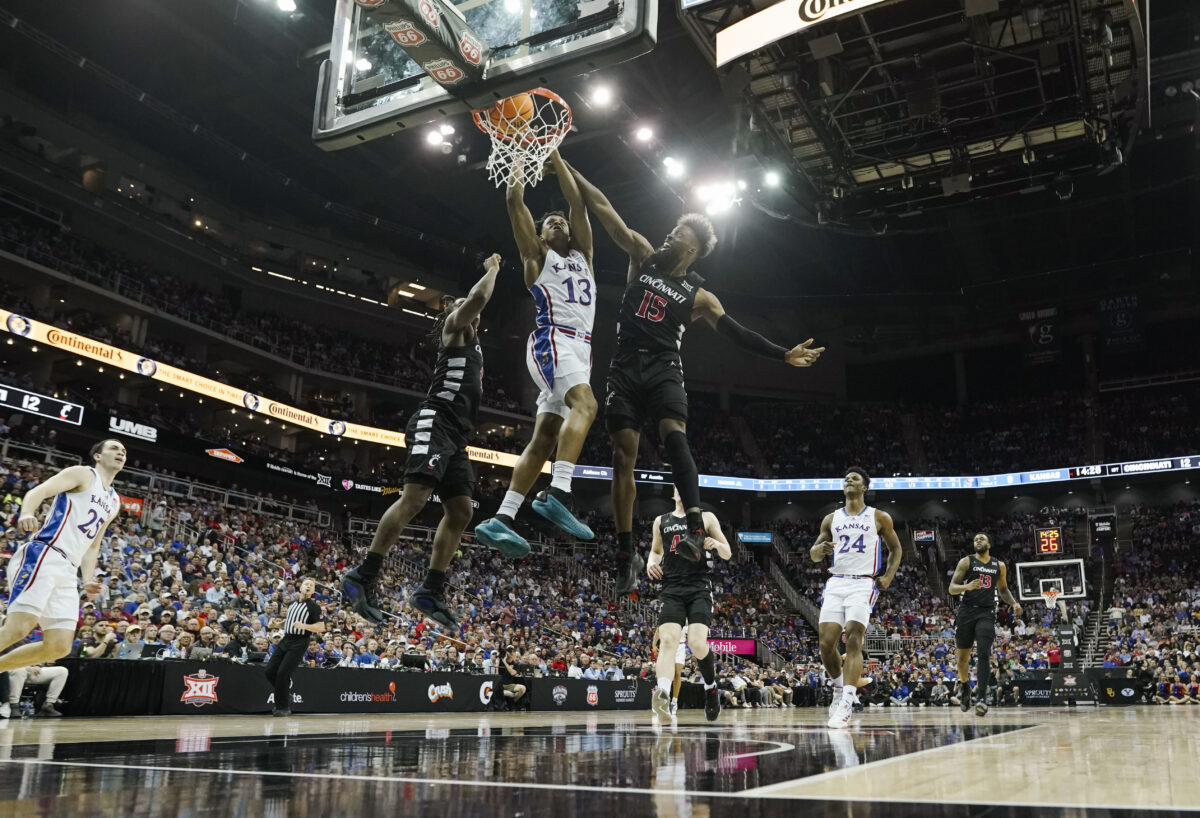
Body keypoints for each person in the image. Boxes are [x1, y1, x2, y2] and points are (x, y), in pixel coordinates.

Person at [565, 160, 824, 595]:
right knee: (622, 452)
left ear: (692, 249)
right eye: (670, 232)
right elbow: (605, 208)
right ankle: (626, 553)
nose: (669, 236)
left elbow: (737, 333)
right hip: (625, 365)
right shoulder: (642, 255)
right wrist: (568, 167)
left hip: (665, 366)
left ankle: (692, 529)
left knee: (675, 438)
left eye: (677, 235)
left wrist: (783, 355)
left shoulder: (700, 295)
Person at [342, 255, 503, 627]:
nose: (469, 308)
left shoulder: (475, 345)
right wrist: (492, 270)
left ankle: (431, 589)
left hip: (456, 436)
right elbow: (477, 300)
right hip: (434, 422)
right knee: (414, 498)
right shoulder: (454, 327)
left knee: (462, 511)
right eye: (461, 304)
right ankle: (363, 574)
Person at [475, 151, 597, 553]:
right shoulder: (536, 258)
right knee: (587, 407)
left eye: (560, 220)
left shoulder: (583, 258)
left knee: (545, 436)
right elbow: (514, 203)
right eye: (549, 222)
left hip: (581, 350)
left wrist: (559, 157)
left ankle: (502, 518)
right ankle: (559, 492)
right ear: (541, 235)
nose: (558, 221)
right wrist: (521, 163)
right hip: (554, 340)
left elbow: (578, 202)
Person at [0, 439, 125, 675]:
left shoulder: (114, 501)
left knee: (59, 646)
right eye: (114, 448)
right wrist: (27, 511)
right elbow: (40, 491)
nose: (121, 453)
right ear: (97, 456)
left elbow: (93, 544)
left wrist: (87, 578)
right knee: (18, 628)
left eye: (124, 451)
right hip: (46, 553)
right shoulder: (83, 474)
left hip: (69, 569)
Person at [809, 466, 902, 729]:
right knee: (826, 645)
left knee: (853, 639)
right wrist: (820, 548)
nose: (848, 480)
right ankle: (839, 688)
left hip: (863, 582)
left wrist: (889, 576)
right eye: (846, 477)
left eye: (855, 478)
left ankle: (847, 703)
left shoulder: (879, 517)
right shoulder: (831, 519)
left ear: (864, 487)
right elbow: (814, 555)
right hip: (836, 581)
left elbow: (896, 549)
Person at [647, 488, 731, 723]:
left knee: (696, 643)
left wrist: (715, 544)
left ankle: (711, 688)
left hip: (698, 587)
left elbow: (727, 553)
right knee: (668, 640)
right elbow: (655, 551)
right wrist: (650, 563)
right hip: (671, 588)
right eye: (678, 486)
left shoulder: (707, 518)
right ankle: (662, 694)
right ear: (674, 493)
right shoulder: (660, 521)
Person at [948, 532, 1022, 716]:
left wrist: (1013, 603)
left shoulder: (999, 565)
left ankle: (982, 697)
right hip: (966, 611)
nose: (978, 541)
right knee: (962, 659)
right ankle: (965, 687)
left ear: (989, 543)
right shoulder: (966, 562)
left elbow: (1003, 589)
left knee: (983, 653)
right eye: (975, 539)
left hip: (987, 612)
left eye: (981, 538)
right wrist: (967, 586)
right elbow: (952, 588)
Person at [264, 578, 324, 716]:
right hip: (286, 639)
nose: (308, 586)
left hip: (300, 641)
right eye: (306, 584)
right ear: (300, 587)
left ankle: (283, 708)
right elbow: (289, 622)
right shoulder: (292, 604)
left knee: (283, 673)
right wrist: (276, 625)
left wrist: (304, 626)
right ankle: (286, 695)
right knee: (269, 671)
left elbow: (321, 627)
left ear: (313, 591)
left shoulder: (314, 607)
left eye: (311, 585)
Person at [4, 663, 69, 717]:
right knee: (19, 670)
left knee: (62, 671)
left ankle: (48, 705)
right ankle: (13, 706)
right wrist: (26, 668)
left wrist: (37, 665)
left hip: (30, 670)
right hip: (9, 668)